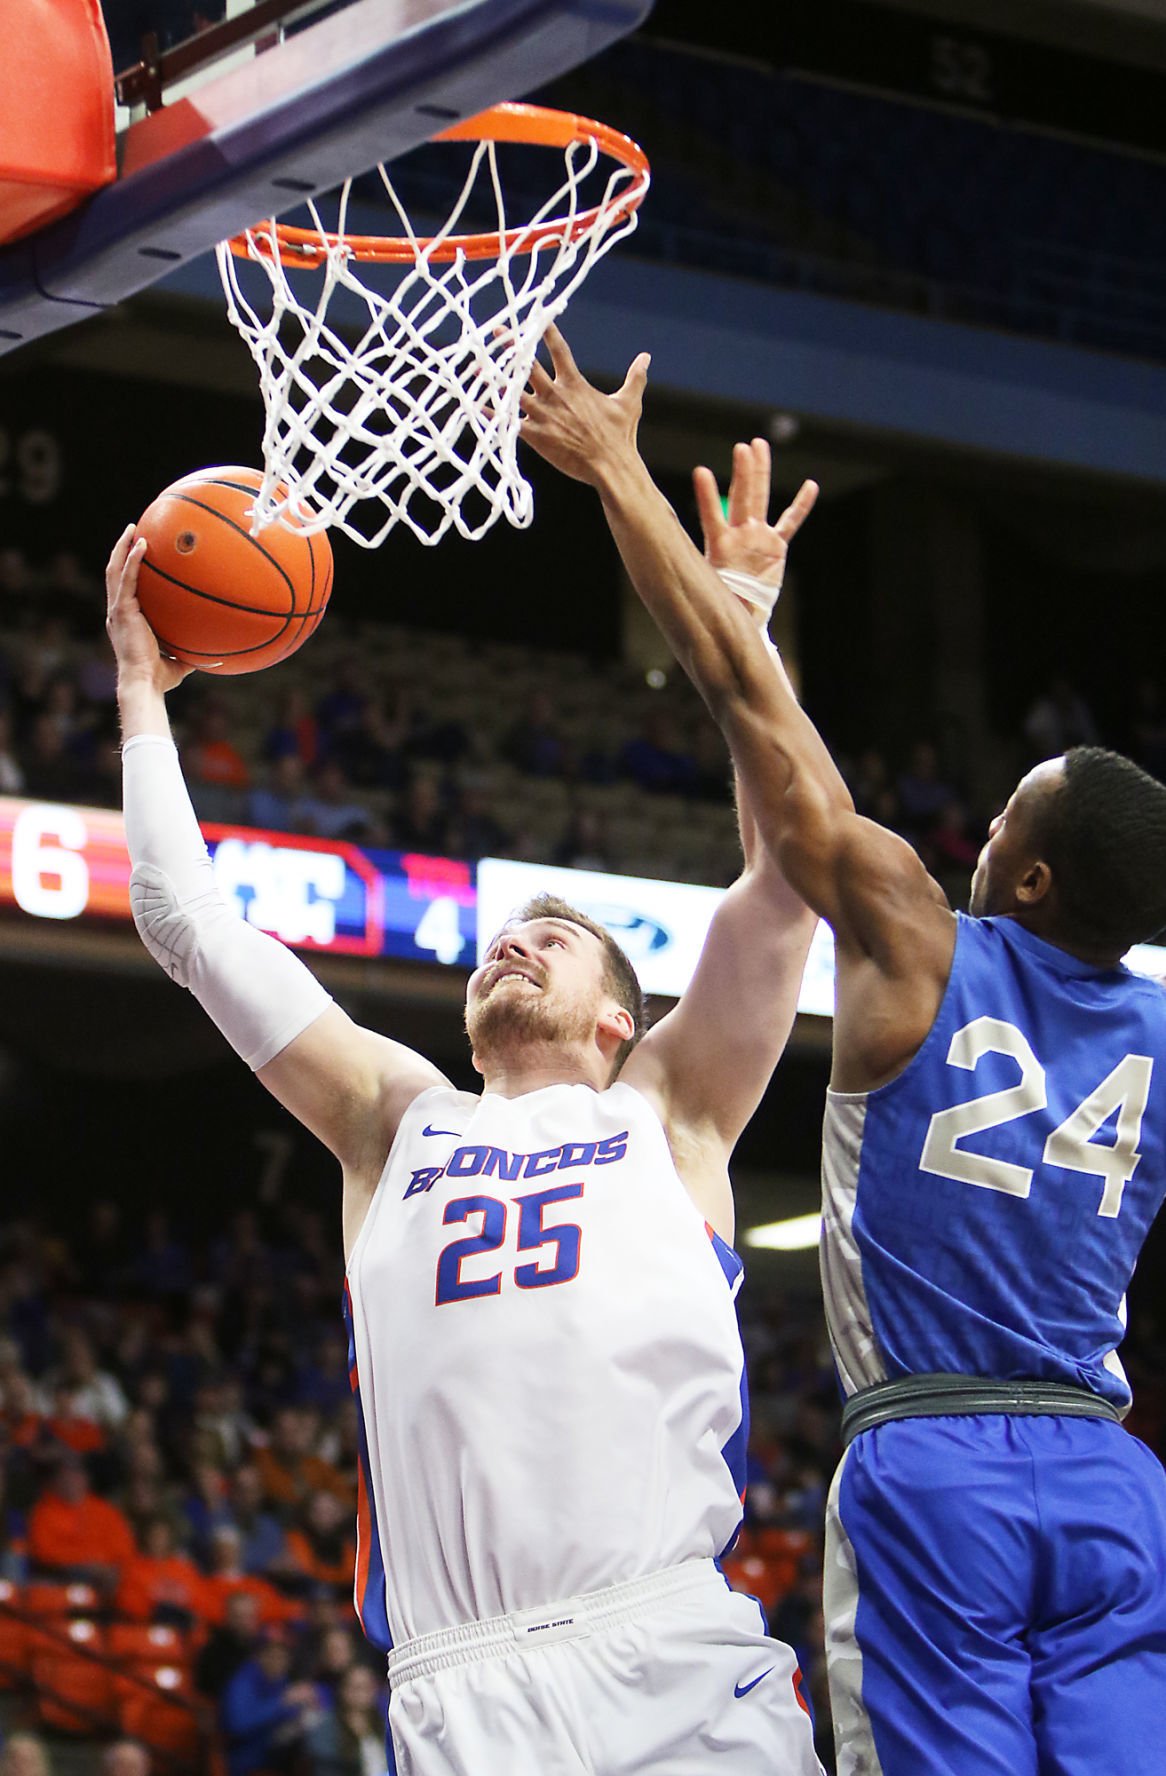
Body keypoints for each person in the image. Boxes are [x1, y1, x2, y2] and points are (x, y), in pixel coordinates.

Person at [517, 324, 1166, 1776]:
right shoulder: (1158, 1035)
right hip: (1111, 1483)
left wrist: (630, 482)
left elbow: (755, 710)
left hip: (937, 1464)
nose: (981, 827)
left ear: (1035, 882)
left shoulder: (917, 942)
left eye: (1006, 818)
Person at [105, 519, 823, 1776]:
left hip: (665, 1647)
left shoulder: (666, 1108)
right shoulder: (395, 1121)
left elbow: (788, 872)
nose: (515, 940)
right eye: (505, 935)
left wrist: (742, 626)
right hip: (460, 1685)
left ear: (618, 1015)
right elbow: (190, 926)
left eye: (553, 939)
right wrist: (136, 695)